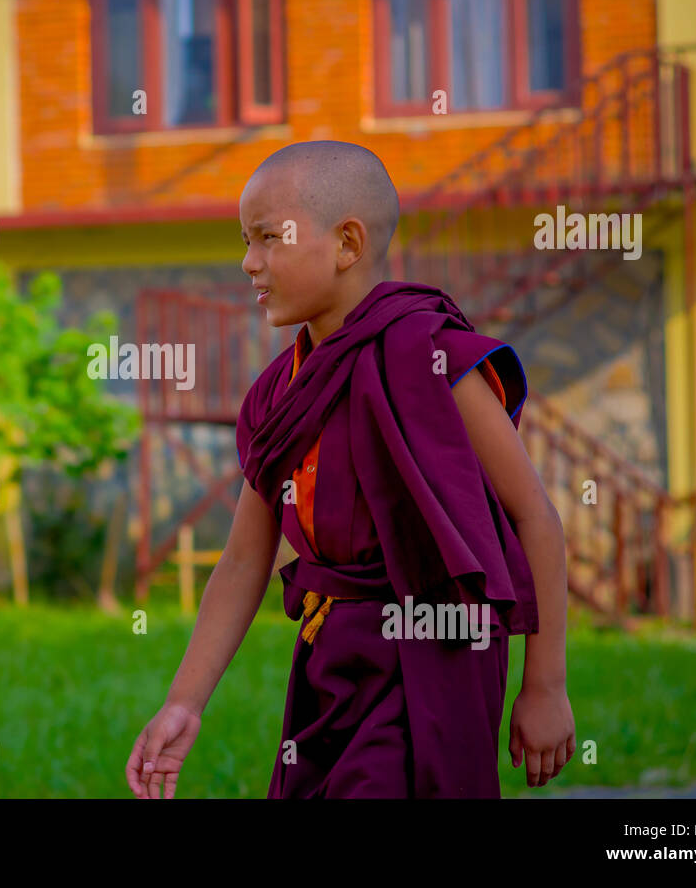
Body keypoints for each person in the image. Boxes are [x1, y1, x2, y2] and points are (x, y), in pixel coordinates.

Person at [125, 141, 575, 798]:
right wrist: (183, 703)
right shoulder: (281, 390)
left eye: (267, 239)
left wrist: (546, 686)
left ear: (347, 243)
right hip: (327, 664)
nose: (249, 263)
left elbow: (534, 515)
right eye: (244, 242)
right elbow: (246, 560)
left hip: (430, 662)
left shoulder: (433, 358)